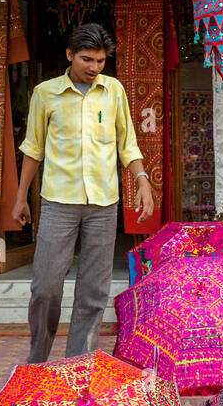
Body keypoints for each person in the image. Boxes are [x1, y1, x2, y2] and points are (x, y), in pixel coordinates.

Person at [13, 23, 155, 364]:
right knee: (45, 288)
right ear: (69, 55)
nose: (94, 68)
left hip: (103, 205)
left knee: (93, 291)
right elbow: (33, 149)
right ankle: (38, 361)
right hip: (58, 203)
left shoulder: (114, 91)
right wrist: (21, 198)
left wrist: (143, 180)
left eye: (101, 61)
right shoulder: (45, 94)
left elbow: (128, 145)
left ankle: (78, 365)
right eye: (87, 59)